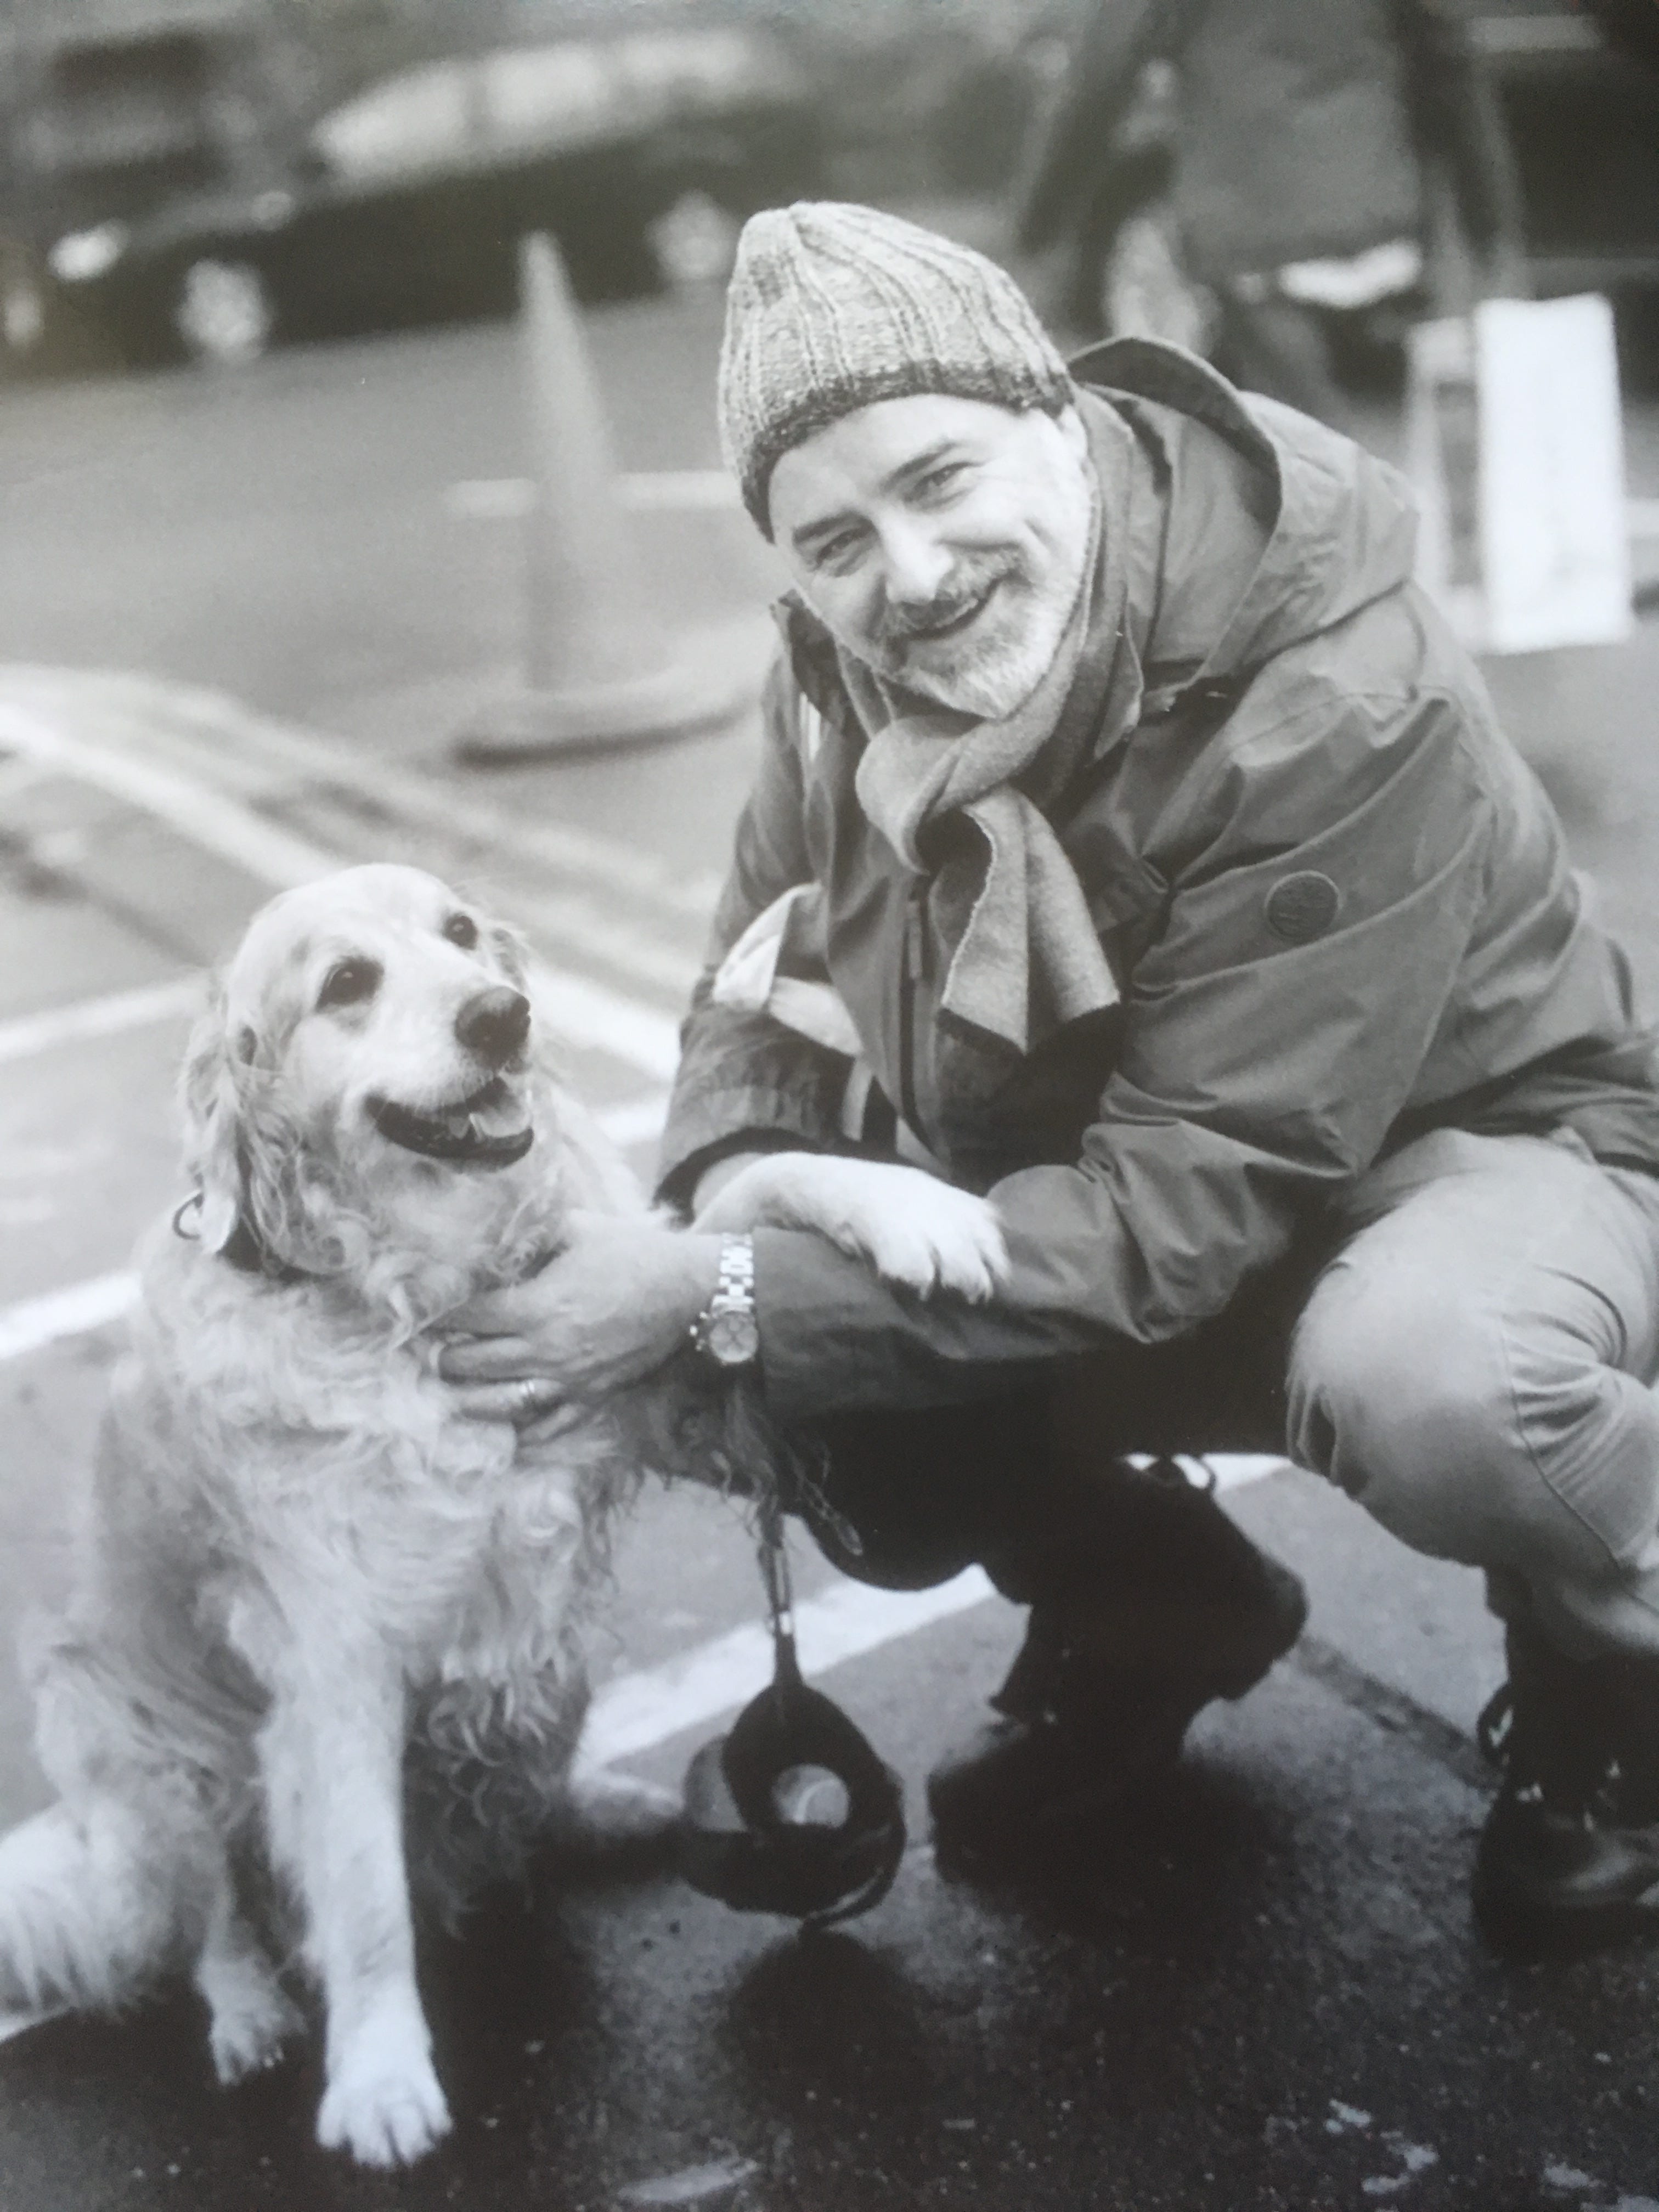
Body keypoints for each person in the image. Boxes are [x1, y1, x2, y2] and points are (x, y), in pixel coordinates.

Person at [443, 202, 1659, 1953]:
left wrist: (713, 1283)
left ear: (1056, 413)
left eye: (939, 479)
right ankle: (1152, 1608)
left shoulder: (1325, 687)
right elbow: (751, 1007)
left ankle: (1611, 1702)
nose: (912, 578)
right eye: (837, 538)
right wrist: (729, 1200)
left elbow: (1185, 1207)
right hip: (1113, 1196)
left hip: (1462, 1163)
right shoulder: (838, 682)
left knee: (1439, 1385)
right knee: (747, 1372)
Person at [1016, 0, 1525, 427]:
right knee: (1379, 435)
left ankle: (1339, 513)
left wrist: (1041, 221)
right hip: (1375, 217)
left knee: (1302, 446)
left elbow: (1101, 77)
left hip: (1252, 229)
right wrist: (1489, 219)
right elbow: (1449, 61)